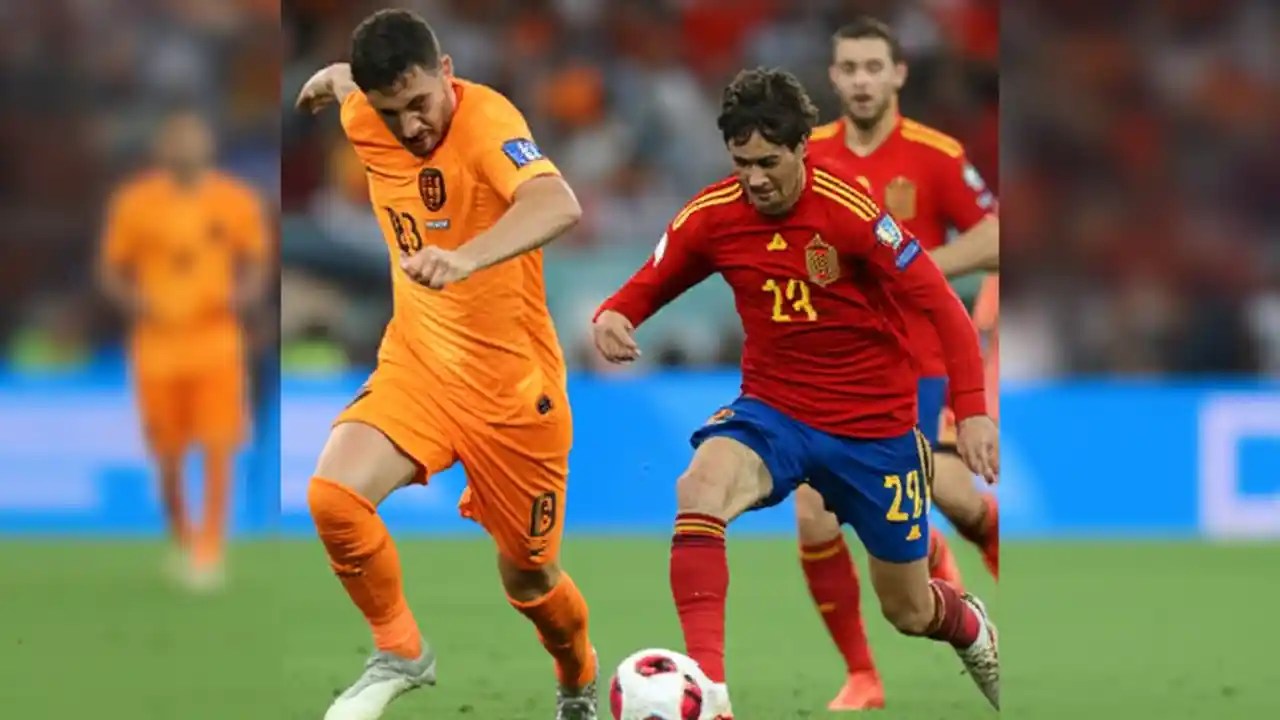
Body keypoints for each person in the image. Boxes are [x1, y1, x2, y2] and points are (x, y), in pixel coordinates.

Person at [592, 67, 1001, 718]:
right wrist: (615, 315)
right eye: (742, 161)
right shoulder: (714, 214)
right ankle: (713, 692)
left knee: (909, 608)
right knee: (698, 488)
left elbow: (945, 309)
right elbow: (652, 280)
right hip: (775, 413)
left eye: (768, 161)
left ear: (802, 148)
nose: (754, 178)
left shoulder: (853, 214)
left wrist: (974, 414)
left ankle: (970, 627)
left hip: (873, 429)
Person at [294, 9, 597, 720]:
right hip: (421, 367)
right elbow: (348, 88)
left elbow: (559, 202)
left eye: (422, 104)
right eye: (394, 111)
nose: (412, 127)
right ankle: (400, 650)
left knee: (528, 580)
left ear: (449, 74)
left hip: (515, 395)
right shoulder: (366, 115)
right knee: (333, 498)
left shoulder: (488, 121)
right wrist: (334, 80)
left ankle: (578, 681)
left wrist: (465, 256)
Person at [800, 17, 1002, 709]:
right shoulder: (808, 156)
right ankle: (862, 673)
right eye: (848, 68)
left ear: (897, 74)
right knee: (815, 516)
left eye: (872, 68)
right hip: (831, 367)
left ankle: (973, 560)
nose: (860, 80)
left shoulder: (935, 155)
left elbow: (1000, 238)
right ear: (833, 77)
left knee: (947, 496)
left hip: (919, 366)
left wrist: (915, 268)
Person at [98, 107, 268, 592]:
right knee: (168, 458)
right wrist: (135, 300)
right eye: (178, 140)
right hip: (157, 347)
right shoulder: (136, 203)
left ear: (209, 147)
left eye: (196, 139)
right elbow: (112, 268)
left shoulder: (234, 201)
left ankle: (210, 550)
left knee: (219, 447)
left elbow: (254, 261)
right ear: (163, 149)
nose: (188, 149)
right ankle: (184, 537)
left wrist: (246, 292)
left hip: (215, 342)